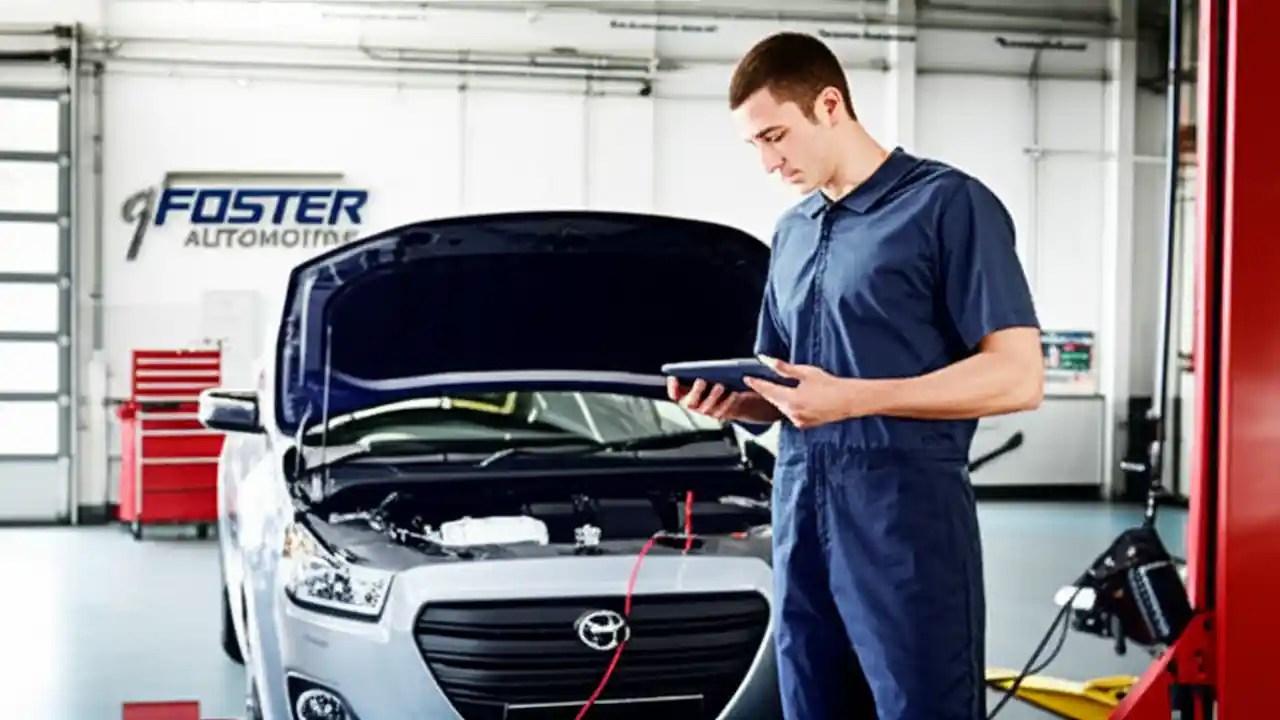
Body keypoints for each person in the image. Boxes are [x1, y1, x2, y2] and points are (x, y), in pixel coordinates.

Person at [667, 32, 1045, 720]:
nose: (767, 160)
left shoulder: (946, 206)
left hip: (905, 520)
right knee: (812, 702)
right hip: (801, 508)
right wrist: (740, 402)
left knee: (919, 706)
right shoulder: (792, 232)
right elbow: (788, 391)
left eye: (775, 136)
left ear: (830, 104)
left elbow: (1019, 377)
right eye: (753, 145)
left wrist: (854, 400)